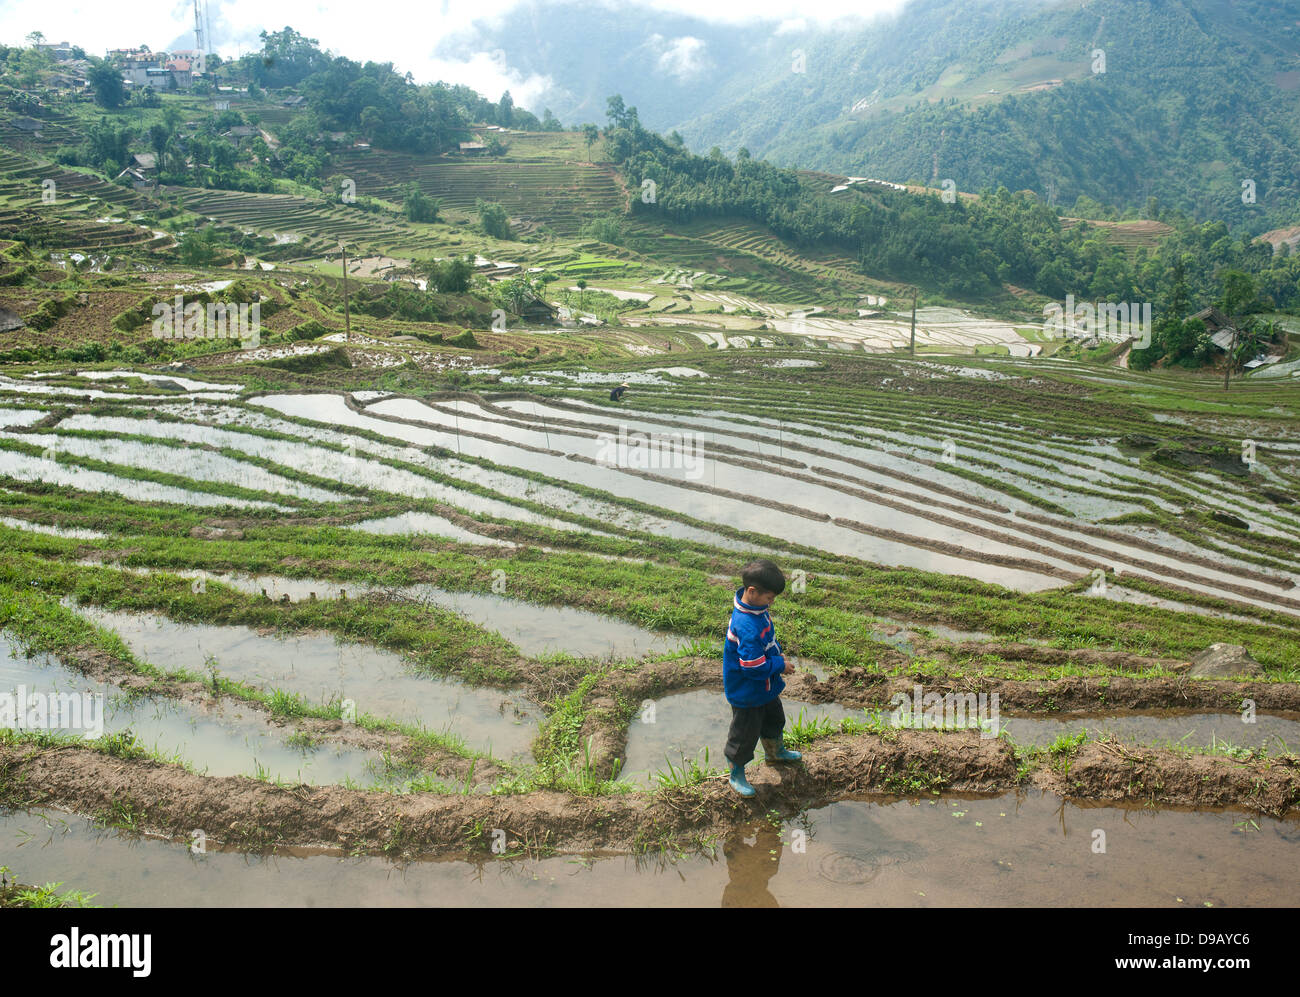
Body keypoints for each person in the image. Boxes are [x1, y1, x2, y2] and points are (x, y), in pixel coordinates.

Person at [722, 559, 800, 798]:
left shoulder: (758, 611)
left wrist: (777, 653)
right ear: (752, 592)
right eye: (769, 598)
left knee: (774, 719)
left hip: (765, 688)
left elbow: (768, 641)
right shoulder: (747, 624)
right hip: (748, 691)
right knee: (744, 734)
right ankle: (736, 773)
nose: (771, 602)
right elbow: (752, 667)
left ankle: (775, 752)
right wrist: (779, 665)